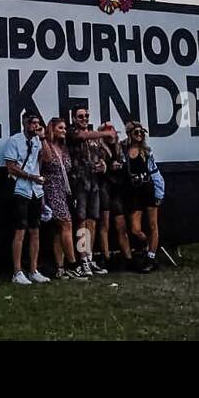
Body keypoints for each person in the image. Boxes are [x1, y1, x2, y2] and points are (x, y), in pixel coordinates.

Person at [66, 107, 117, 276]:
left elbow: (100, 156)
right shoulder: (73, 133)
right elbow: (82, 136)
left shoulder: (95, 138)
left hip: (95, 183)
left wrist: (103, 165)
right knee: (81, 221)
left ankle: (89, 256)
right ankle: (82, 259)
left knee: (93, 221)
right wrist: (104, 133)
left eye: (87, 115)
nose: (84, 118)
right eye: (81, 116)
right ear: (74, 118)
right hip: (79, 183)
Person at [3, 111, 49, 285]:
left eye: (37, 123)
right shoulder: (15, 141)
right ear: (24, 123)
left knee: (35, 230)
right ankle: (17, 271)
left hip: (36, 190)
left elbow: (48, 158)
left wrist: (43, 139)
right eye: (31, 122)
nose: (35, 126)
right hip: (21, 189)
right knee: (20, 230)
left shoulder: (38, 141)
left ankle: (33, 269)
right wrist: (31, 177)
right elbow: (11, 167)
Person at [40, 118, 83, 279]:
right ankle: (72, 264)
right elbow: (47, 160)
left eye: (65, 128)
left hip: (65, 190)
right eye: (61, 128)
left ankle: (60, 267)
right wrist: (44, 139)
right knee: (66, 224)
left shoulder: (64, 148)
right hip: (52, 190)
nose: (64, 130)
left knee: (59, 231)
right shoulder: (46, 145)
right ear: (53, 129)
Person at [122, 122, 163, 271]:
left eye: (141, 133)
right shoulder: (124, 151)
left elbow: (154, 172)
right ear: (130, 134)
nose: (139, 135)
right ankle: (148, 246)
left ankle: (151, 257)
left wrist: (159, 192)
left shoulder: (146, 151)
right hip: (134, 192)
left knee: (153, 224)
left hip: (147, 188)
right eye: (136, 133)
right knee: (135, 229)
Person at [95, 122, 135, 271]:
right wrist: (106, 166)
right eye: (107, 132)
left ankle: (128, 257)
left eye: (112, 131)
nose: (111, 134)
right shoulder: (99, 148)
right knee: (104, 225)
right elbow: (96, 164)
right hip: (105, 186)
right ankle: (106, 258)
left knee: (121, 225)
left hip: (116, 188)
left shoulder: (120, 147)